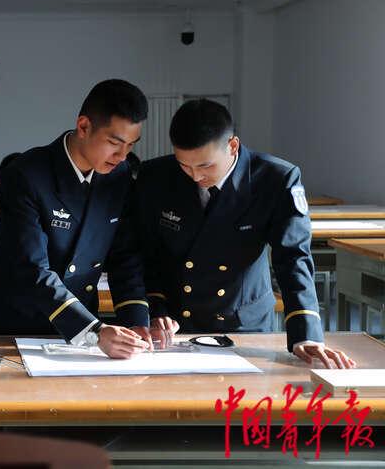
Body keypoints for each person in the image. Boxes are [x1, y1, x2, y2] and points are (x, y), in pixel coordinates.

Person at [122, 98, 354, 369]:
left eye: (206, 166)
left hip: (242, 321)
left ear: (233, 146)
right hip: (174, 324)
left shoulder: (275, 179)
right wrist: (155, 310)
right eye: (185, 165)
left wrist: (306, 333)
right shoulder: (156, 176)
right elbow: (147, 252)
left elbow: (293, 258)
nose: (196, 176)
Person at [0, 79, 158, 359]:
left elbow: (125, 257)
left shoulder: (118, 177)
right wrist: (93, 332)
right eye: (114, 143)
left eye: (131, 145)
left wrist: (136, 321)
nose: (122, 156)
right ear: (83, 126)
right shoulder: (26, 174)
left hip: (82, 327)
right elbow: (32, 267)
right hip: (14, 325)